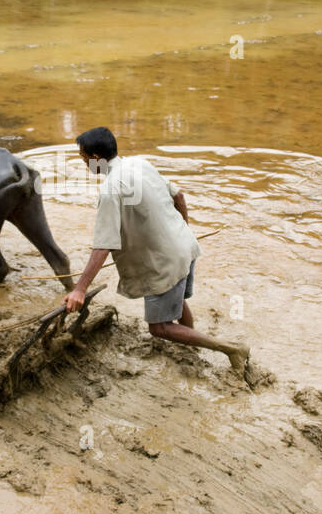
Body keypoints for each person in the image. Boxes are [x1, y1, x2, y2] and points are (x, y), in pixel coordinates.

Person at [62, 126, 250, 374]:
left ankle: (231, 349)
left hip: (164, 263)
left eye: (84, 159)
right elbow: (179, 197)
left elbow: (104, 244)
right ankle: (189, 348)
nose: (84, 164)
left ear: (96, 159)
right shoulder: (140, 164)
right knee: (177, 299)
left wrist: (80, 289)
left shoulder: (110, 190)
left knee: (159, 327)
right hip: (186, 246)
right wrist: (182, 232)